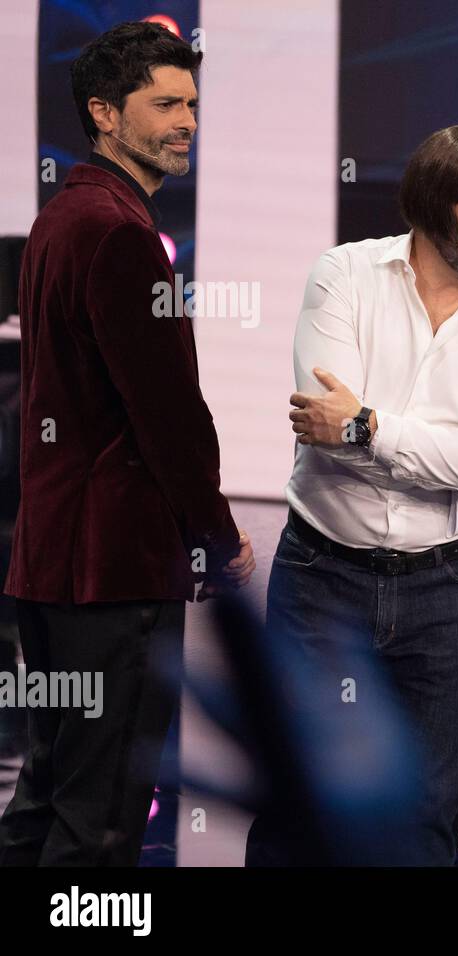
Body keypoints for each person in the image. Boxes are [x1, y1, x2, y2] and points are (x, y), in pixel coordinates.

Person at [245, 125, 458, 866]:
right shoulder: (344, 276)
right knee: (295, 802)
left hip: (447, 587)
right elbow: (324, 434)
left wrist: (367, 423)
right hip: (323, 577)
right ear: (432, 207)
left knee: (424, 816)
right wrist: (430, 452)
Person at [0, 21, 254, 866]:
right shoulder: (117, 233)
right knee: (101, 818)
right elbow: (167, 415)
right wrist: (216, 539)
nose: (188, 120)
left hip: (54, 570)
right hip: (110, 576)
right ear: (105, 114)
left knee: (49, 797)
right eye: (166, 104)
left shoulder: (66, 216)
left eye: (192, 103)